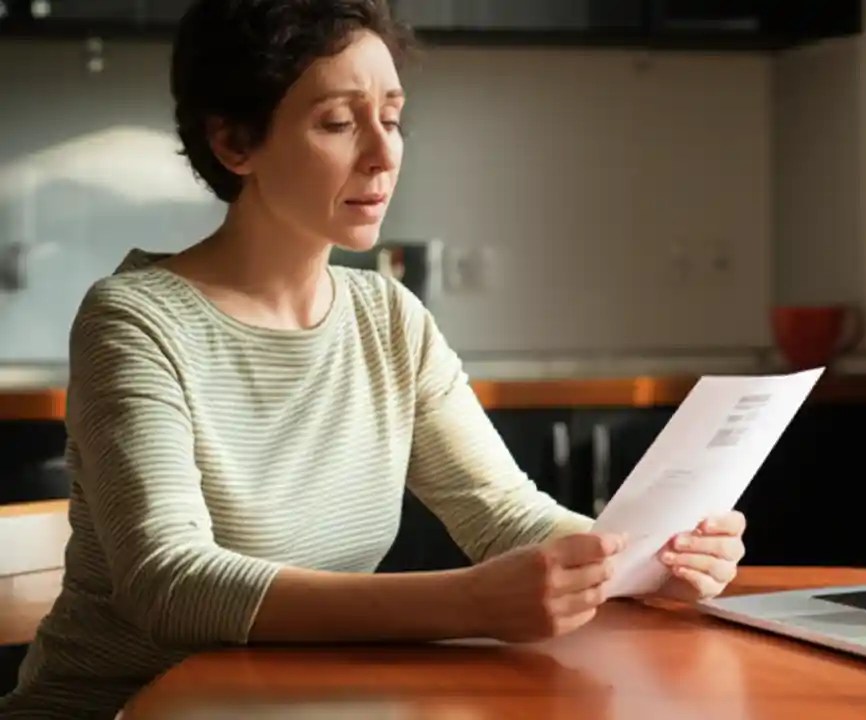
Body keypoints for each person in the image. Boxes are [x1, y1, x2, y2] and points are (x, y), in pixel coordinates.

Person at [0, 1, 746, 717]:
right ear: (234, 143)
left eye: (392, 118)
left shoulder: (388, 317)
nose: (384, 153)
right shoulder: (134, 320)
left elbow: (504, 516)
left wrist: (650, 563)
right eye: (337, 123)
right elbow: (170, 582)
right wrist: (468, 602)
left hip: (296, 708)